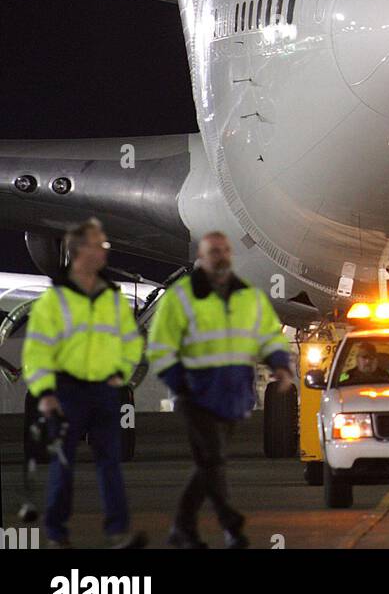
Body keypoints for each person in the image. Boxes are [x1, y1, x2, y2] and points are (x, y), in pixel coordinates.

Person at [148, 231, 294, 549]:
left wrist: (280, 365)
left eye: (225, 250)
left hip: (232, 396)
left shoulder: (248, 297)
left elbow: (269, 335)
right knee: (213, 460)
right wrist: (180, 384)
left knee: (208, 465)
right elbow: (160, 346)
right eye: (214, 251)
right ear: (200, 255)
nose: (221, 256)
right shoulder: (181, 297)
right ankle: (231, 526)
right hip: (195, 394)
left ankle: (182, 530)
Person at [22, 218, 145, 549]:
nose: (105, 250)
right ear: (80, 252)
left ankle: (118, 531)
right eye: (99, 246)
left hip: (104, 392)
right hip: (67, 392)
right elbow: (37, 350)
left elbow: (131, 341)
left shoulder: (112, 298)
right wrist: (44, 392)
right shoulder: (56, 301)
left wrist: (121, 371)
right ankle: (57, 532)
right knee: (64, 464)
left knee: (111, 465)